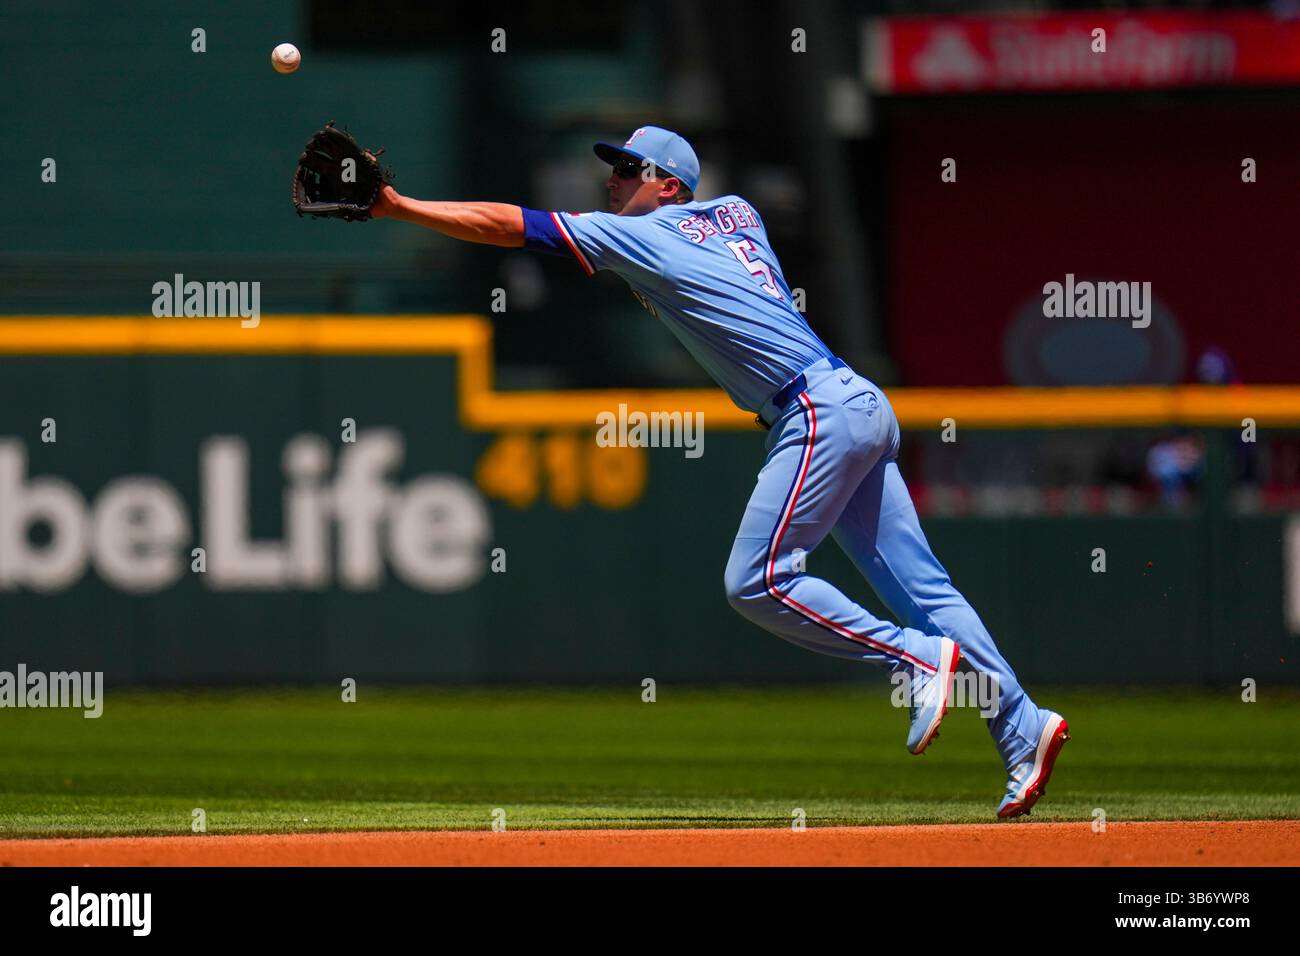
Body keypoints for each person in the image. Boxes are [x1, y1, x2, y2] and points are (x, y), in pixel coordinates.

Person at [371, 126, 1068, 818]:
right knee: (928, 591)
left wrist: (401, 207)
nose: (613, 180)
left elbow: (511, 226)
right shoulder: (737, 212)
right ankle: (1021, 727)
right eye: (612, 168)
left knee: (757, 580)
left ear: (668, 185)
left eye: (628, 169)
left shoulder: (646, 236)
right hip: (859, 401)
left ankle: (911, 660)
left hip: (814, 409)